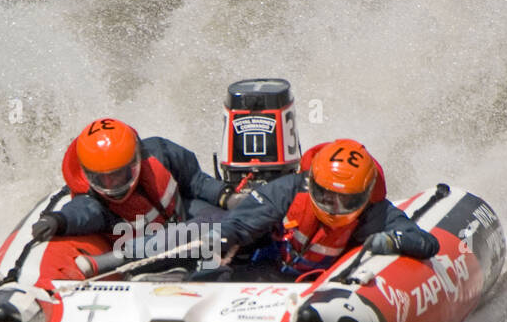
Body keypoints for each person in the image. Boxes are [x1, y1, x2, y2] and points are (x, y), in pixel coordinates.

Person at [219, 138, 439, 276]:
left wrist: (391, 241)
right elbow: (241, 221)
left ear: (365, 194)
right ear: (313, 182)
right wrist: (217, 239)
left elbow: (427, 243)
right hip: (266, 270)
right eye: (326, 196)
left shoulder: (374, 211)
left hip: (322, 285)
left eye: (346, 200)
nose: (334, 208)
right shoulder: (291, 189)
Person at [30, 118, 247, 241]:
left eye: (118, 175)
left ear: (135, 162)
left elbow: (196, 181)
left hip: (184, 216)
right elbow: (81, 212)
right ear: (90, 177)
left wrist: (227, 197)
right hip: (144, 250)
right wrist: (57, 220)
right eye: (102, 179)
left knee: (230, 223)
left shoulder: (161, 153)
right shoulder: (93, 199)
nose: (112, 186)